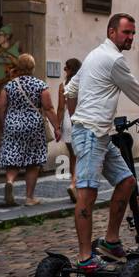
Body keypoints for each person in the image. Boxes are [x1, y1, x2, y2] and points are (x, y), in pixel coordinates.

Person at [65, 13, 139, 273]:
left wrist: (75, 119)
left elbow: (69, 91)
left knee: (127, 182)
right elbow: (135, 89)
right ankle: (85, 257)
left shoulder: (93, 55)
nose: (130, 37)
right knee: (87, 193)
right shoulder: (113, 59)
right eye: (126, 33)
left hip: (101, 134)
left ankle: (110, 241)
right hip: (90, 134)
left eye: (133, 33)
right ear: (111, 33)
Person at [0, 54, 60, 206]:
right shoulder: (40, 85)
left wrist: (4, 124)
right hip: (34, 125)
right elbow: (49, 108)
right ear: (32, 67)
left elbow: (2, 107)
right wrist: (57, 127)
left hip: (12, 124)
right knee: (33, 161)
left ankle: (10, 181)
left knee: (13, 156)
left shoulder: (9, 86)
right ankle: (29, 197)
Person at [57, 58, 81, 204]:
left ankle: (75, 185)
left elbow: (60, 108)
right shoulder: (82, 84)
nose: (64, 70)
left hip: (67, 121)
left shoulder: (63, 86)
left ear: (71, 70)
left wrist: (57, 127)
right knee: (80, 156)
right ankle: (74, 184)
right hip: (79, 120)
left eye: (66, 68)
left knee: (72, 156)